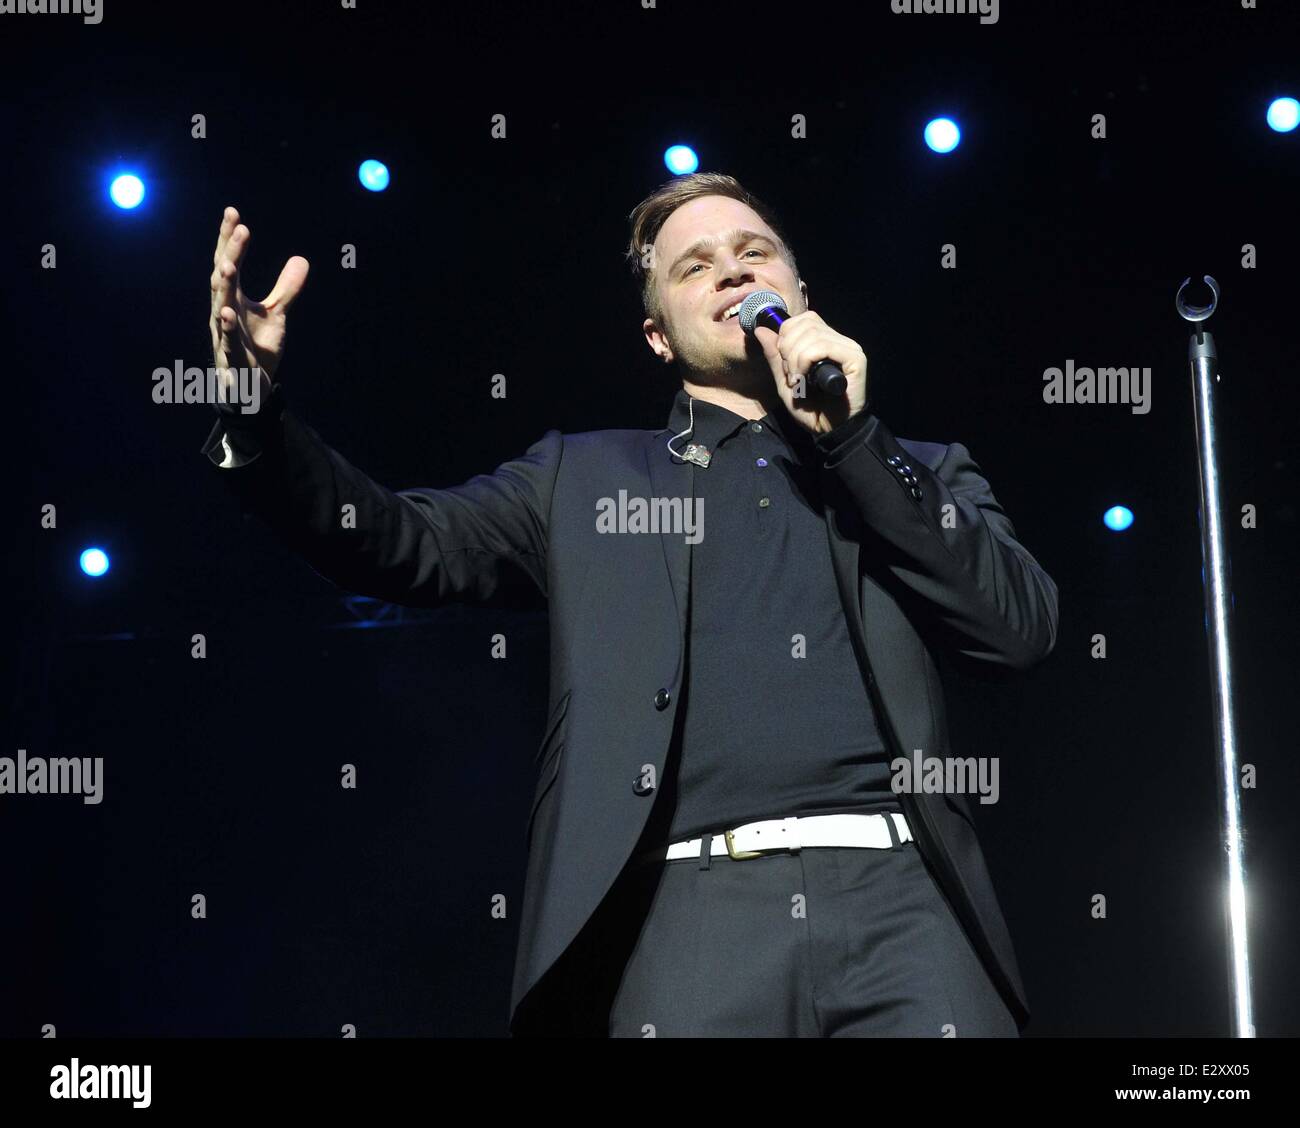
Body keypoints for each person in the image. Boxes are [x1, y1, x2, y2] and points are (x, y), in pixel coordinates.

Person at [203, 172, 1059, 1037]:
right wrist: (254, 412)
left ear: (802, 294)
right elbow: (393, 541)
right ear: (657, 336)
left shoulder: (918, 465)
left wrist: (857, 441)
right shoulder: (583, 480)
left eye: (754, 253)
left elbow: (1017, 632)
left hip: (904, 908)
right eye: (696, 267)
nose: (732, 272)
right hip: (684, 923)